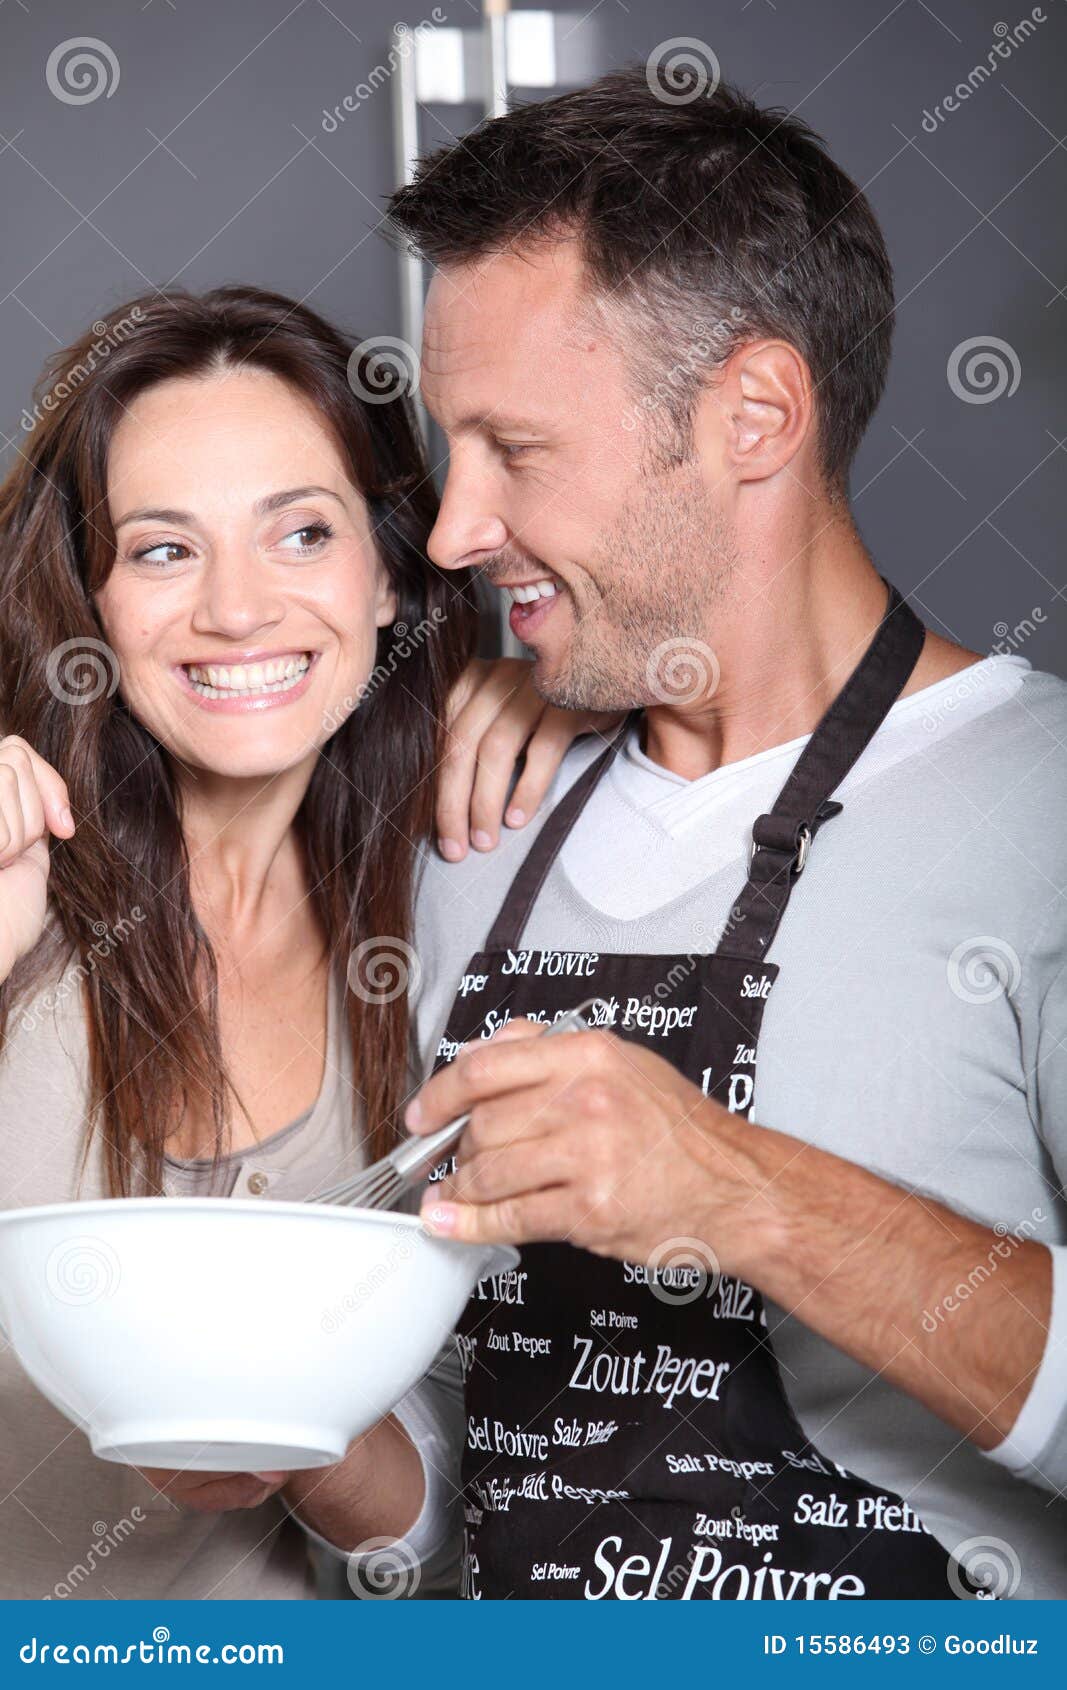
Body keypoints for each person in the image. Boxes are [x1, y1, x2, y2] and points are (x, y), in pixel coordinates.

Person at [389, 69, 1067, 1599]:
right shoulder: (473, 813)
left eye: (517, 447)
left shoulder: (1044, 807)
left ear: (754, 413)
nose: (451, 529)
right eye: (452, 447)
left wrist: (737, 1191)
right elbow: (448, 1456)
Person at [0, 284, 608, 1599]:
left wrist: (281, 1437)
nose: (236, 608)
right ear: (87, 599)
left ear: (390, 570)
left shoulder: (456, 910)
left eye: (302, 532)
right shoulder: (12, 873)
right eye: (164, 549)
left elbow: (449, 1518)